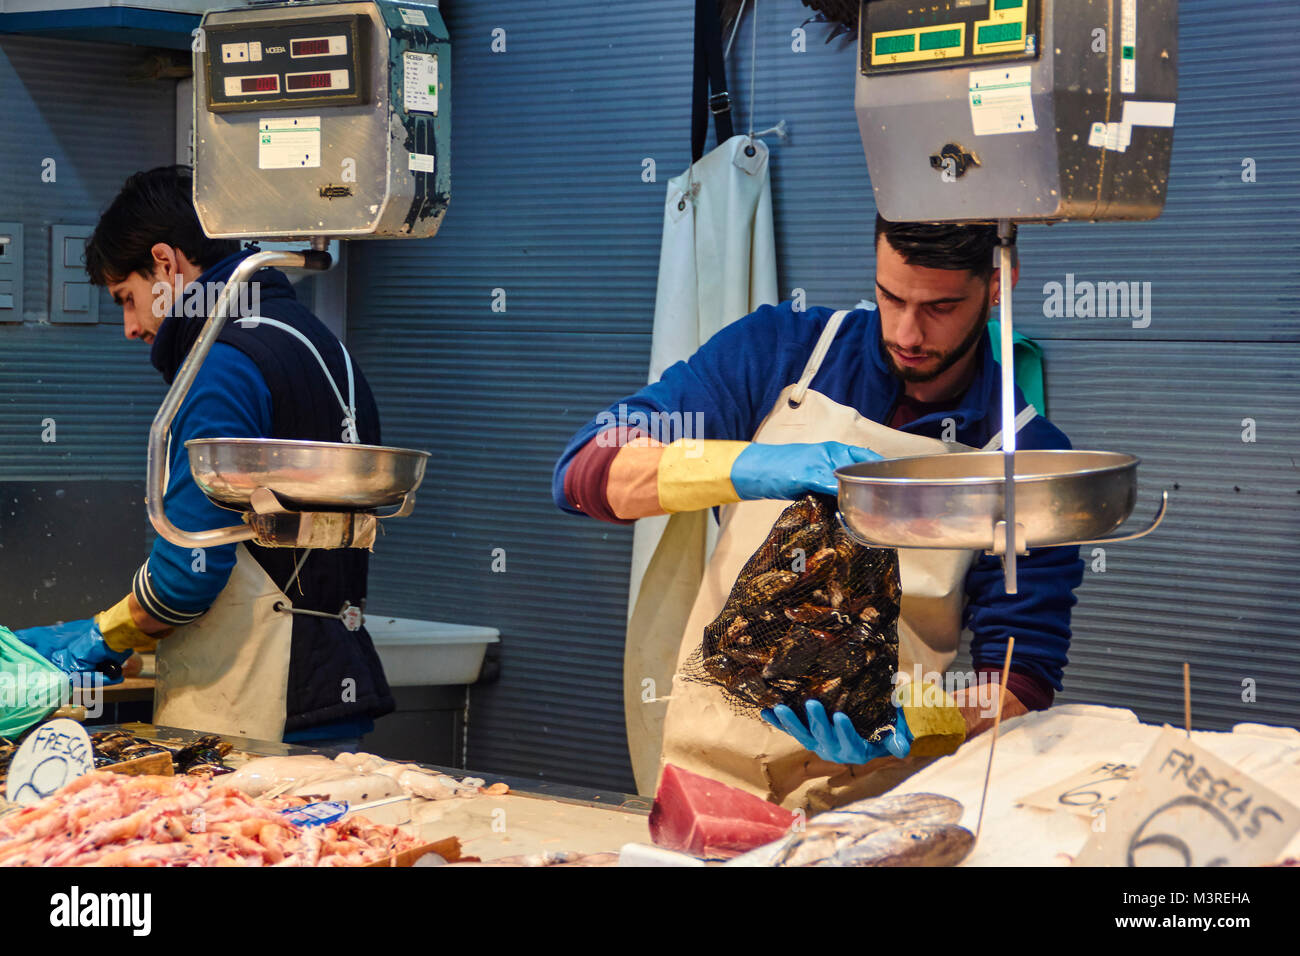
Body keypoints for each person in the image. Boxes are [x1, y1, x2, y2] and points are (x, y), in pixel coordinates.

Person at [554, 216, 1085, 809]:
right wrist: (748, 467)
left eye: (940, 307)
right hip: (707, 773)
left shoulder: (1028, 461)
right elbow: (586, 471)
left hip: (873, 792)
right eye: (891, 297)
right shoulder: (782, 351)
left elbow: (1020, 679)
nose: (908, 331)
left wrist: (924, 722)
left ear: (999, 283)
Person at [14, 165, 394, 749]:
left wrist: (102, 635)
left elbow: (190, 573)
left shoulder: (222, 365)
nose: (131, 327)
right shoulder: (319, 345)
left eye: (129, 299)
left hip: (254, 701)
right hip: (329, 682)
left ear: (166, 264)